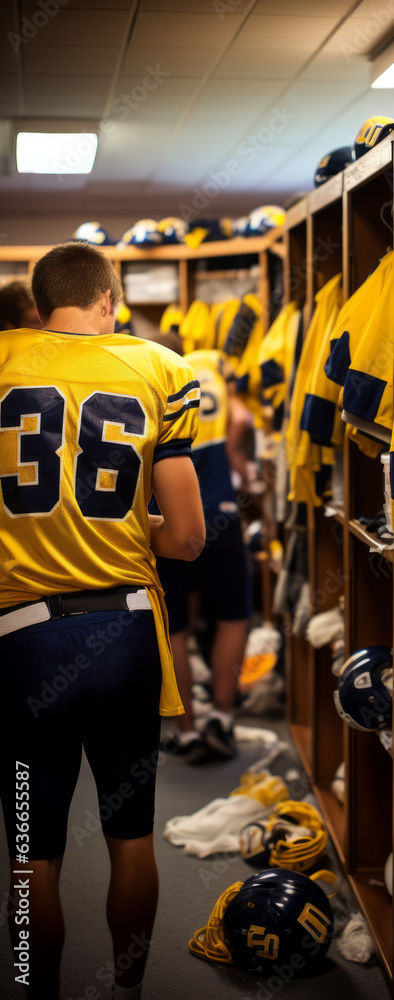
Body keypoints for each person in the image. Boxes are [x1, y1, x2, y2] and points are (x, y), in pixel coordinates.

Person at [0, 241, 206, 1000]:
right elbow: (187, 538)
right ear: (109, 299)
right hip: (124, 635)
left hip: (21, 638)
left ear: (38, 301)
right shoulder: (160, 369)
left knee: (31, 855)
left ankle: (34, 989)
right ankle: (127, 993)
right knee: (131, 838)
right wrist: (123, 525)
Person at [157, 352, 255, 763]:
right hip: (221, 512)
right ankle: (222, 718)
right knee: (233, 617)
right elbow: (243, 418)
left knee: (174, 628)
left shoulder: (151, 376)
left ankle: (188, 731)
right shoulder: (211, 368)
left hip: (170, 517)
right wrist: (237, 461)